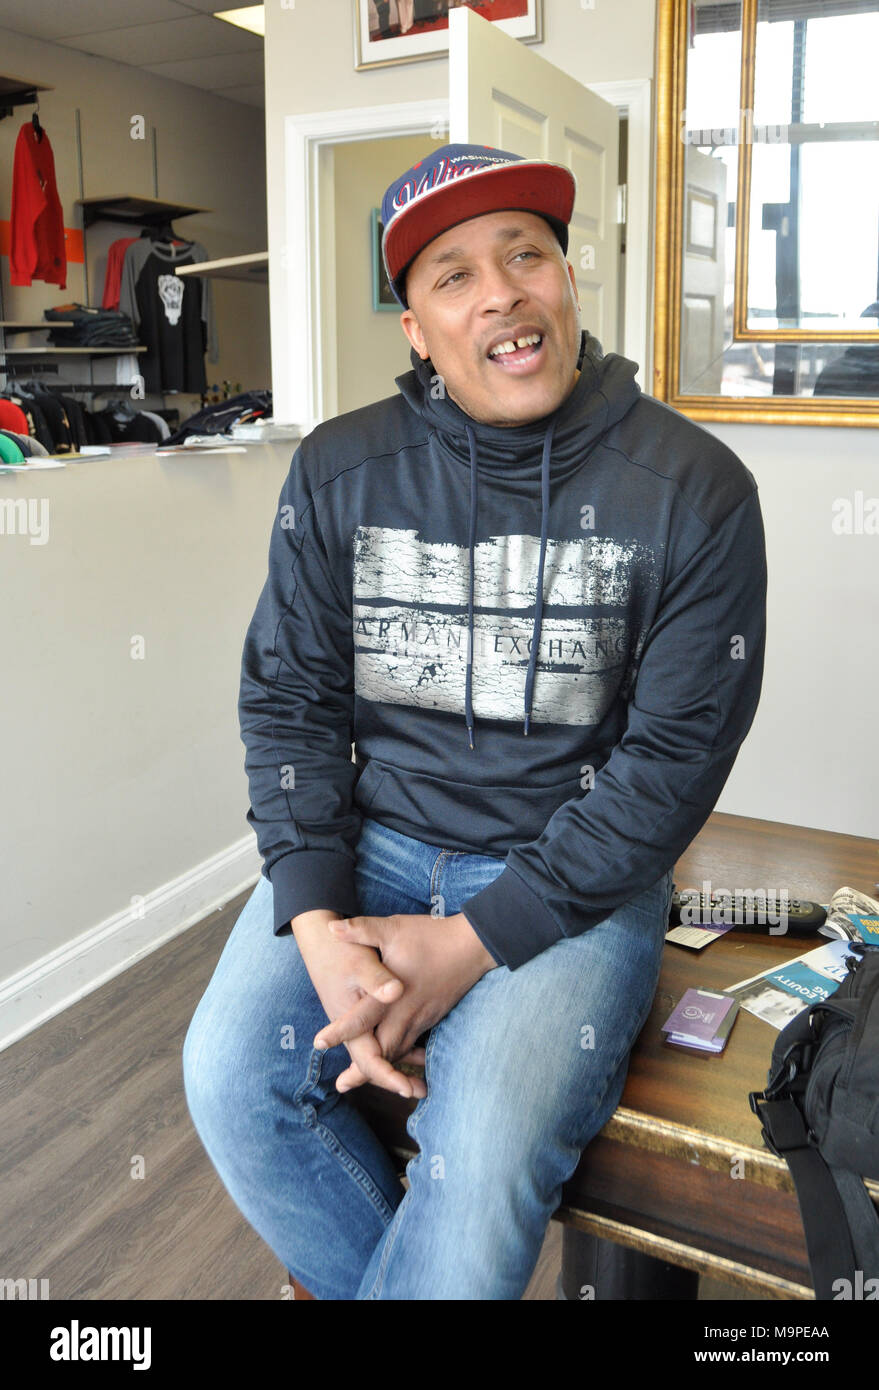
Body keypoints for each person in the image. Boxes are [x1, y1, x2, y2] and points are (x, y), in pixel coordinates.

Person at [183, 143, 768, 1300]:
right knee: (226, 1073)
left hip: (575, 878)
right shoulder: (342, 469)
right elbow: (290, 701)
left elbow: (670, 769)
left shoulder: (695, 489)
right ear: (416, 328)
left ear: (565, 284)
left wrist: (472, 943)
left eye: (525, 254)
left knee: (484, 1145)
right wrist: (316, 921)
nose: (499, 288)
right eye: (452, 274)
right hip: (374, 848)